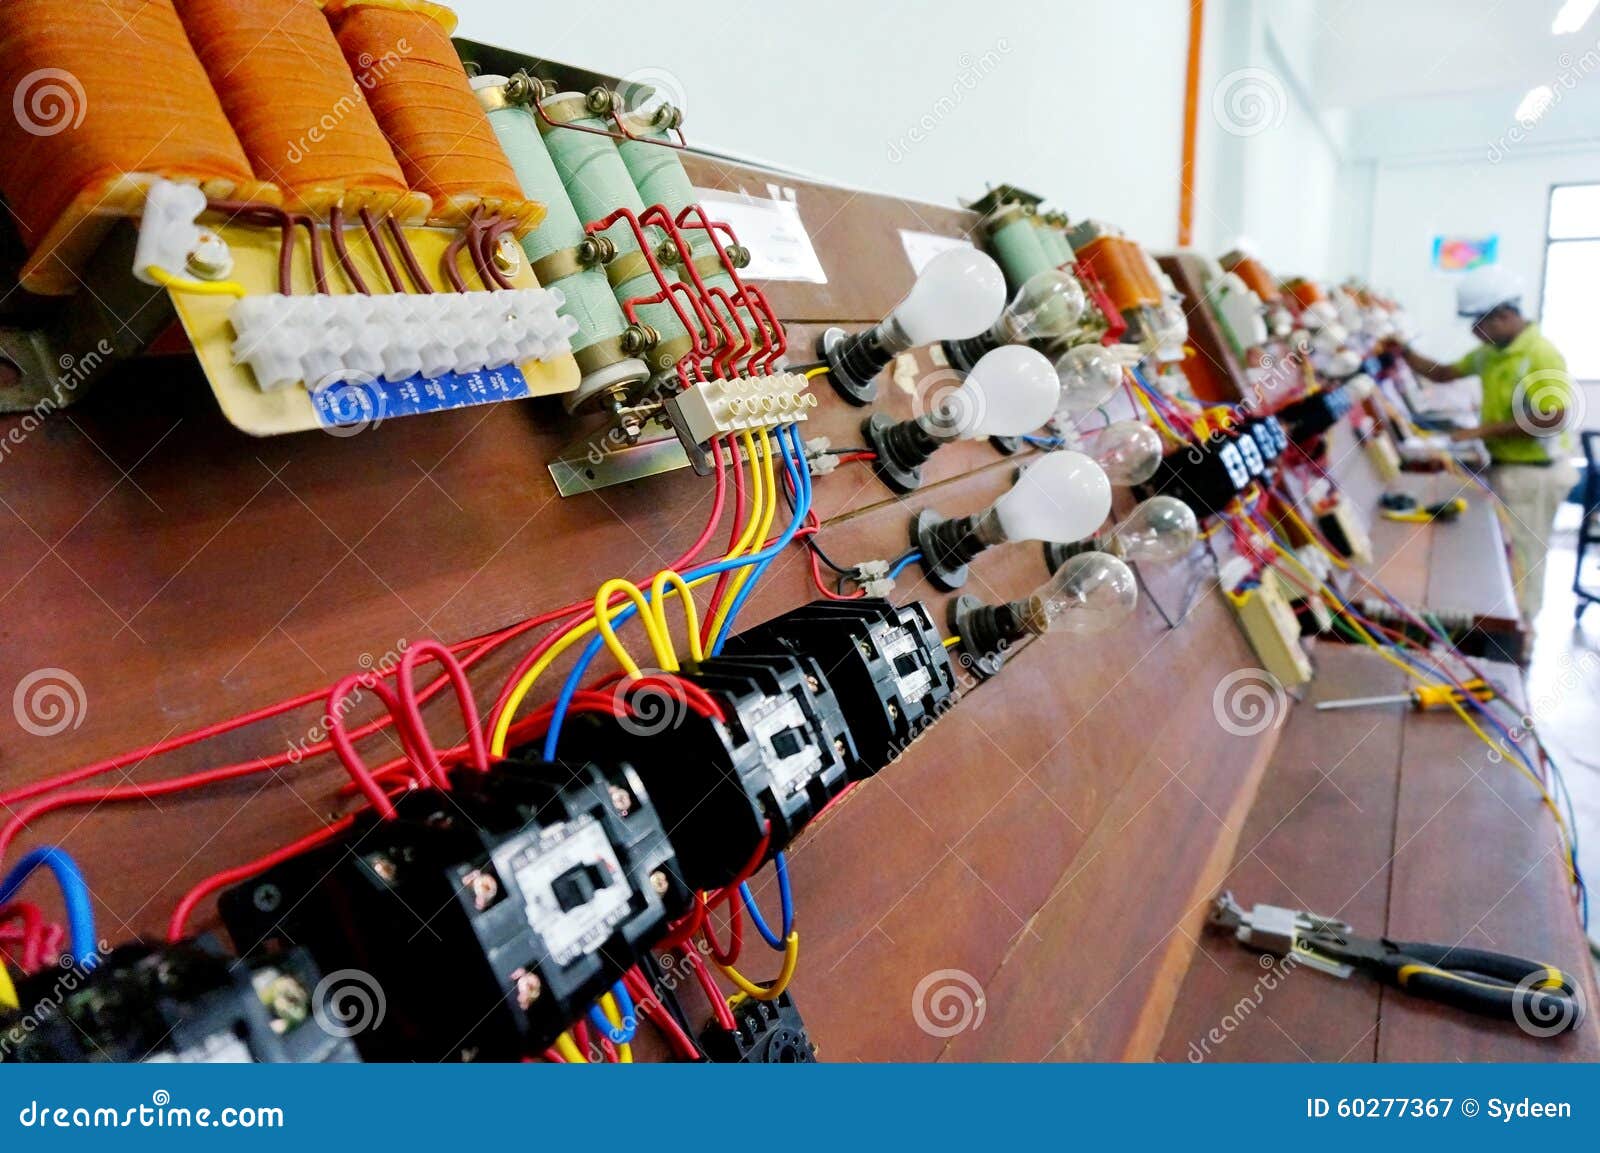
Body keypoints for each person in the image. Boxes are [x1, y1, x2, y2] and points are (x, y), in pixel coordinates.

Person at [1390, 266, 1578, 623]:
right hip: (1507, 468)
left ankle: (1521, 630)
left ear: (1503, 315)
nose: (1474, 333)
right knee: (1509, 553)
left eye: (1478, 323)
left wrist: (1480, 432)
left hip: (1534, 475)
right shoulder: (1491, 352)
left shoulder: (1539, 354)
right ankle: (1511, 624)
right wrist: (1402, 351)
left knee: (1524, 557)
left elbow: (1552, 418)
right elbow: (1443, 373)